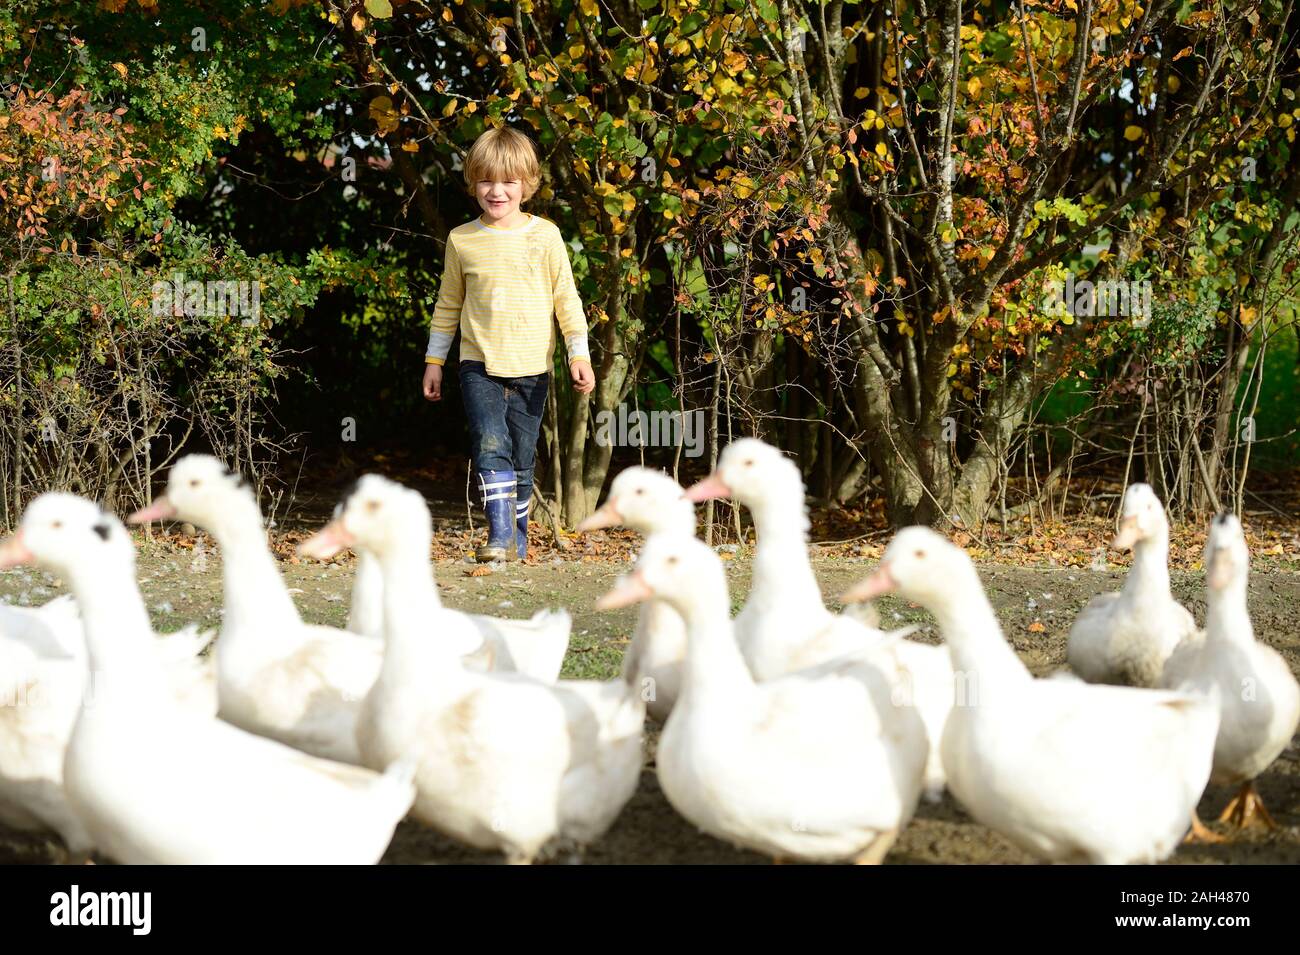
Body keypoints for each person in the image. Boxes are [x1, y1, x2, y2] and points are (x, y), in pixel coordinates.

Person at [422, 127, 595, 561]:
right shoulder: (463, 240)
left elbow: (567, 301)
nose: (496, 191)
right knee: (489, 444)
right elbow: (448, 304)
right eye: (486, 181)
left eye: (508, 182)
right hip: (477, 363)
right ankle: (497, 535)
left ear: (528, 184)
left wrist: (579, 354)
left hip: (533, 366)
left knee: (521, 456)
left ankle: (517, 535)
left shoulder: (546, 236)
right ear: (473, 183)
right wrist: (434, 361)